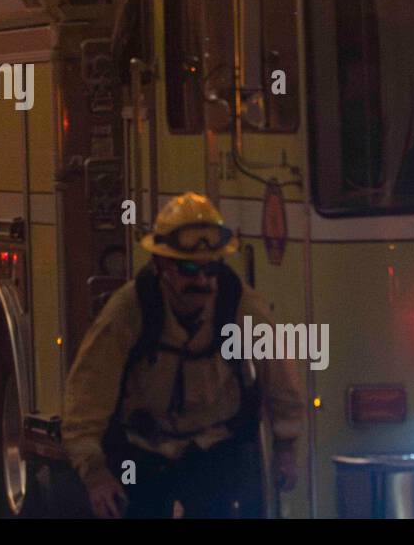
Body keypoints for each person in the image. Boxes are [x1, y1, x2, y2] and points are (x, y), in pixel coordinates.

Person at [62, 192, 304, 518]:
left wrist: (286, 446)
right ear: (162, 265)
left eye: (211, 269)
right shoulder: (128, 312)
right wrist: (96, 476)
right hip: (143, 449)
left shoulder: (239, 304)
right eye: (189, 268)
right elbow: (87, 398)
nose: (202, 281)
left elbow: (280, 376)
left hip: (216, 446)